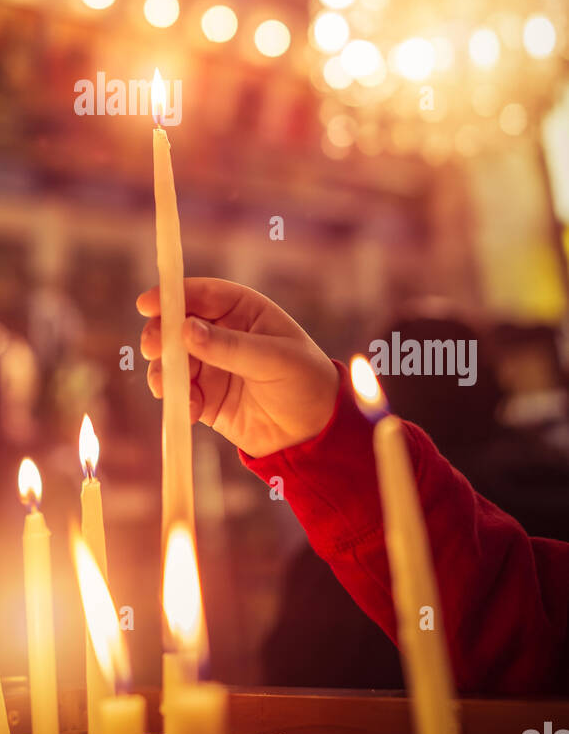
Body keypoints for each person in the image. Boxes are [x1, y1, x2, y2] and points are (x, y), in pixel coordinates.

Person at [137, 278, 569, 696]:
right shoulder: (551, 490)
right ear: (495, 388)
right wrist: (323, 432)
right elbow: (521, 618)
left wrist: (330, 436)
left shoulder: (322, 569)